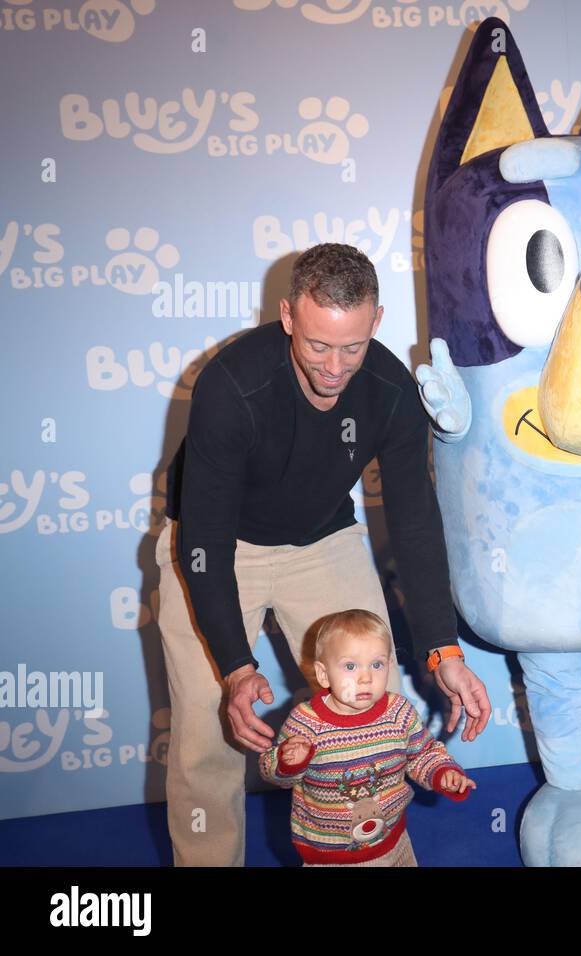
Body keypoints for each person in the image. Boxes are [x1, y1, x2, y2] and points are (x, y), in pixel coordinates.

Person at [156, 242, 491, 866]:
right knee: (210, 734)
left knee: (375, 700)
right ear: (288, 316)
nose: (335, 367)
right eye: (317, 345)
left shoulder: (391, 389)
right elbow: (203, 543)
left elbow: (415, 522)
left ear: (376, 322)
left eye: (352, 347)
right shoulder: (233, 385)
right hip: (217, 548)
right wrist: (235, 667)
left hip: (323, 542)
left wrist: (443, 648)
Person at [259, 609, 474, 867]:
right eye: (350, 666)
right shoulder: (307, 722)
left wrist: (442, 771)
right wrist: (287, 760)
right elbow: (271, 770)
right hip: (331, 857)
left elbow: (423, 754)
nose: (365, 677)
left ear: (389, 664)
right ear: (323, 674)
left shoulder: (398, 712)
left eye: (376, 664)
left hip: (394, 842)